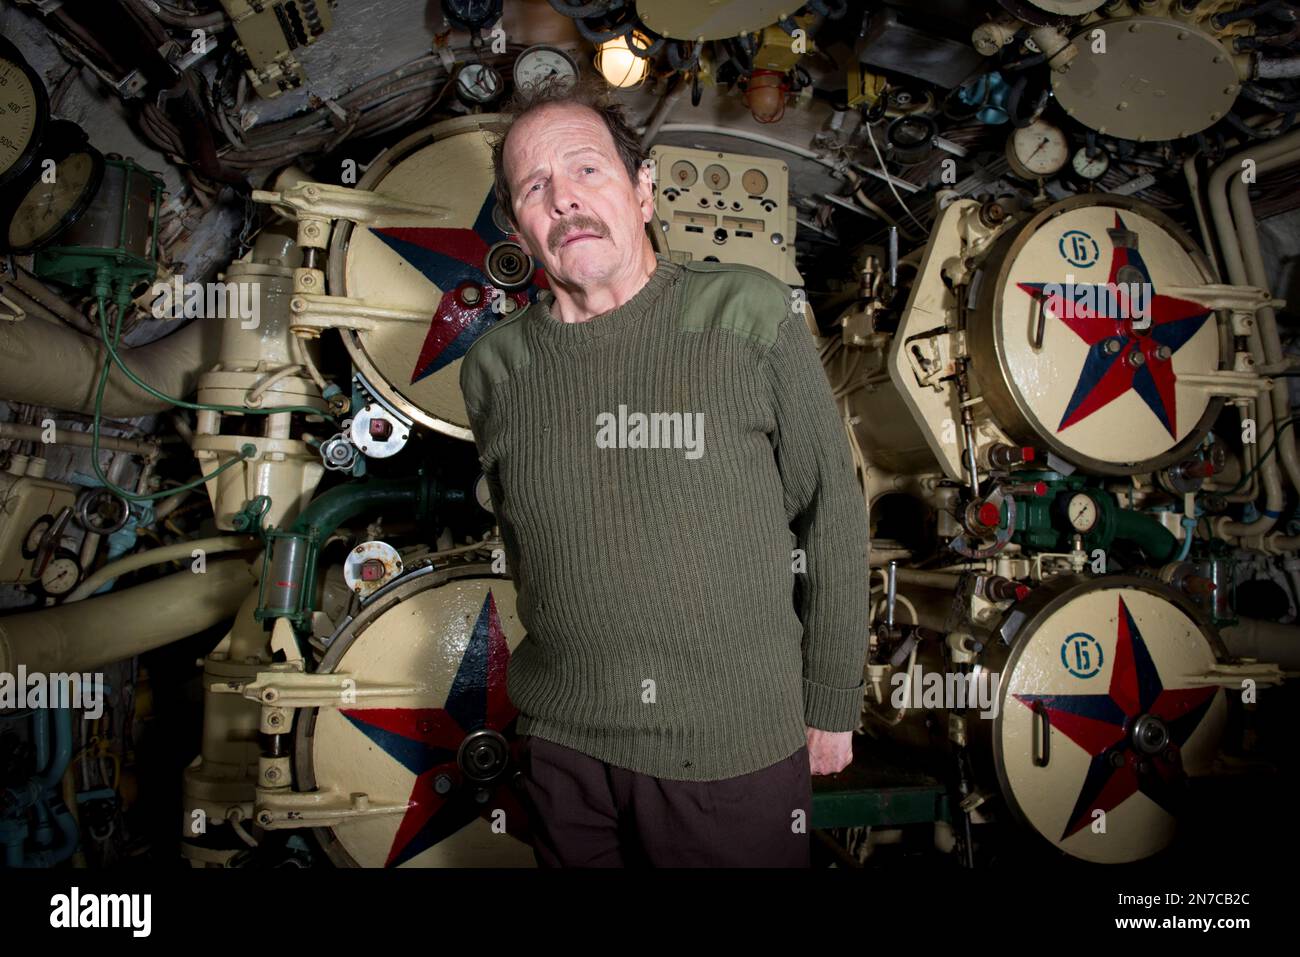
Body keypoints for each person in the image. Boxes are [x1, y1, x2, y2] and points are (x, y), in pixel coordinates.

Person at [458, 74, 870, 867]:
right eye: (535, 186)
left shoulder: (749, 315)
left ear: (643, 189)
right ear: (517, 222)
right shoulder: (494, 369)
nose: (566, 200)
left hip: (727, 751)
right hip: (561, 750)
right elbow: (526, 533)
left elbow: (830, 510)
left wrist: (829, 700)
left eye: (588, 169)